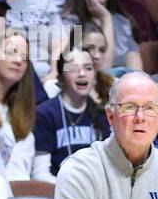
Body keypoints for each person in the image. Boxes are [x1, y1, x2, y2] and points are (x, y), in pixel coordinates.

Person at [33, 48, 110, 182]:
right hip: (57, 188)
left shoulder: (101, 114)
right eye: (73, 68)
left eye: (88, 68)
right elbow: (40, 173)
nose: (82, 74)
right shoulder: (45, 114)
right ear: (61, 77)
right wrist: (69, 189)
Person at [60, 0, 143, 74]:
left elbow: (137, 72)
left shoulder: (123, 23)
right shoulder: (69, 24)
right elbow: (102, 73)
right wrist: (105, 18)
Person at [0, 29, 40, 181]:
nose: (19, 61)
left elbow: (18, 177)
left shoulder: (21, 120)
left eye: (25, 58)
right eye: (11, 52)